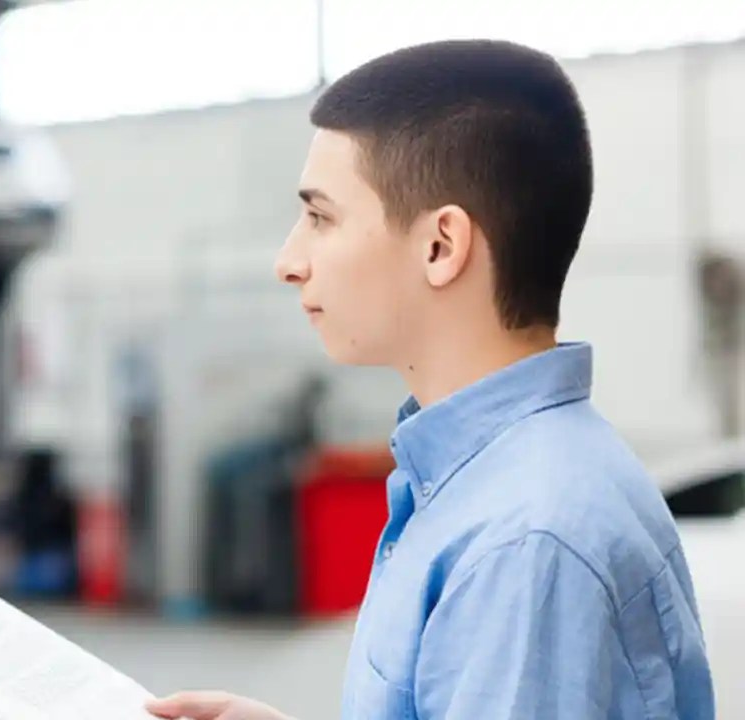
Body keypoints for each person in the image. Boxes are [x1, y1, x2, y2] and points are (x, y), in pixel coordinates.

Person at [146, 39, 715, 720]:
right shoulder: (497, 486)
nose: (289, 261)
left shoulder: (527, 544)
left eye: (321, 217)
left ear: (441, 246)